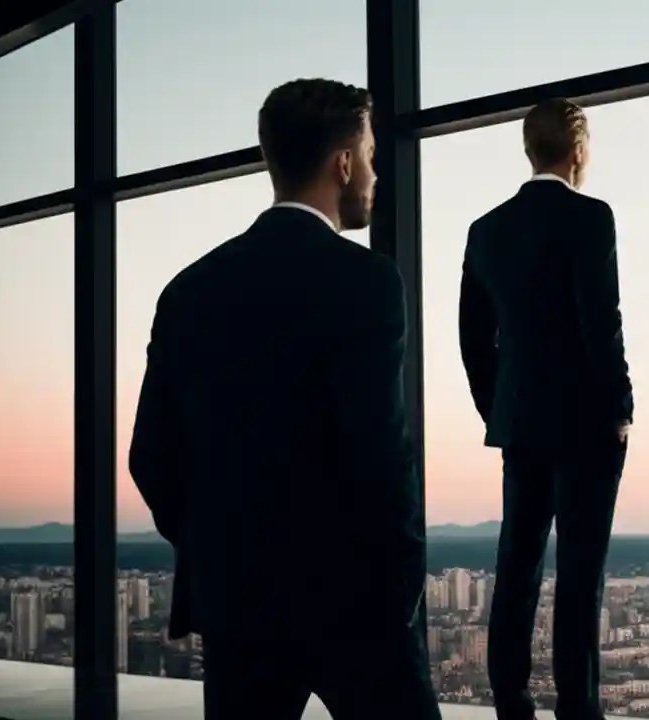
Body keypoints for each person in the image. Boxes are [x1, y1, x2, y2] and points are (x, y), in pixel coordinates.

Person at [129, 78, 439, 720]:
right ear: (344, 162)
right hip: (354, 605)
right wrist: (399, 591)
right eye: (373, 157)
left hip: (238, 604)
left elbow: (150, 457)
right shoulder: (365, 283)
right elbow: (383, 458)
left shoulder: (189, 290)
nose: (375, 175)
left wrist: (222, 544)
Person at [459, 98, 634, 720]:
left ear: (529, 148)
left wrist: (497, 410)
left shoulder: (487, 230)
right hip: (586, 422)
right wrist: (620, 405)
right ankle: (577, 711)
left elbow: (472, 341)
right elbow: (600, 322)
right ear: (579, 152)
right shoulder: (591, 219)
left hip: (520, 424)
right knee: (580, 576)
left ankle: (512, 704)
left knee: (518, 566)